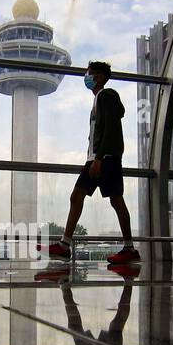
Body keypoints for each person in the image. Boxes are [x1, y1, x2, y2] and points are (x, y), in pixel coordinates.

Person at [43, 61, 140, 265]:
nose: (86, 78)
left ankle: (129, 248)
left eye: (90, 74)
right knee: (77, 196)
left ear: (100, 77)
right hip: (96, 158)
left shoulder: (107, 96)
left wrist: (98, 158)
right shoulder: (98, 100)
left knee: (115, 199)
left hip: (105, 158)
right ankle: (64, 245)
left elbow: (111, 128)